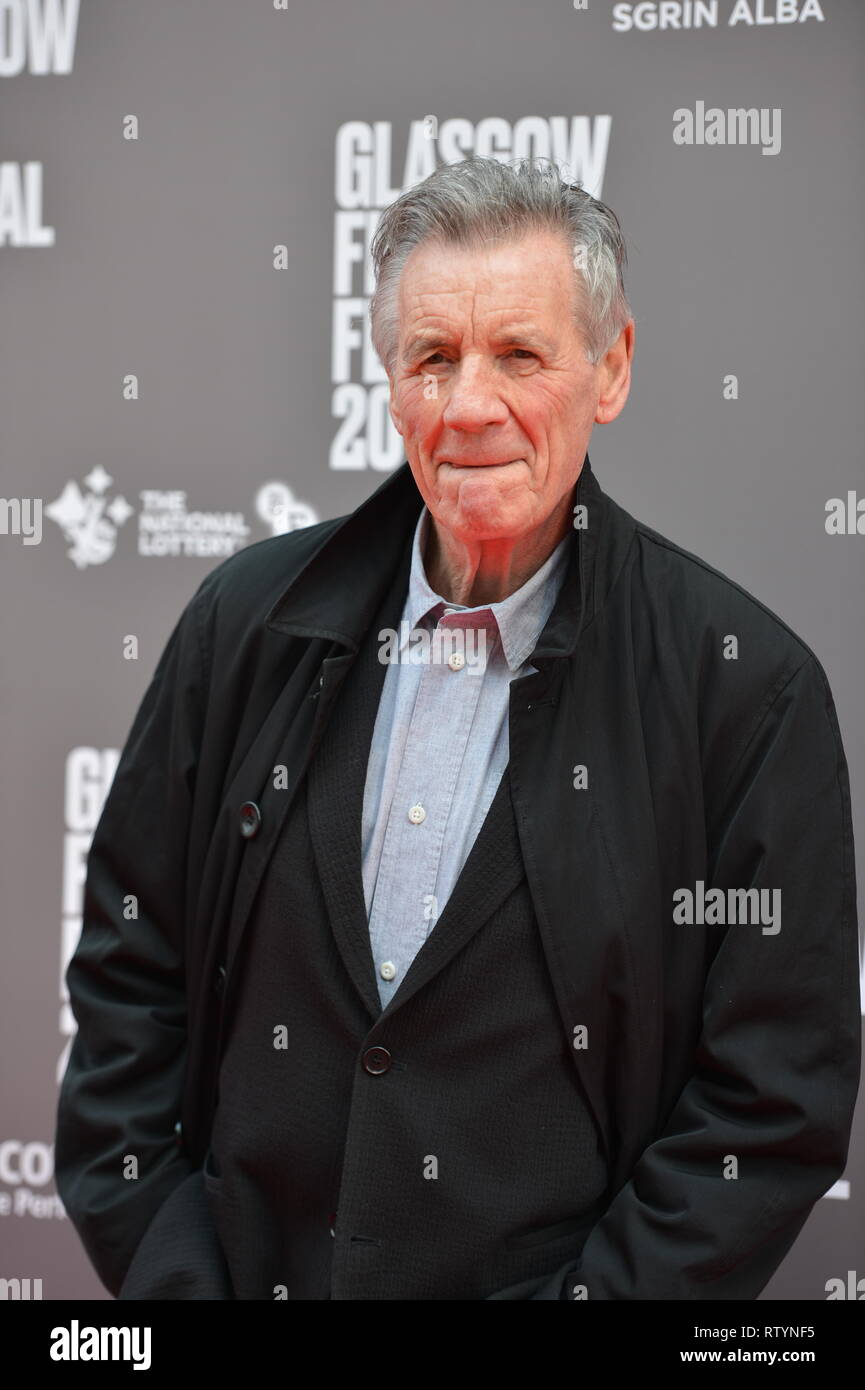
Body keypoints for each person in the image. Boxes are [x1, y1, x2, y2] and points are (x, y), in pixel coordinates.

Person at [55, 157, 860, 1301]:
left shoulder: (743, 691)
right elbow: (129, 985)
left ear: (611, 366)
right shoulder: (247, 622)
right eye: (432, 357)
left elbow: (770, 1100)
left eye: (520, 354)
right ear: (389, 381)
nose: (470, 403)